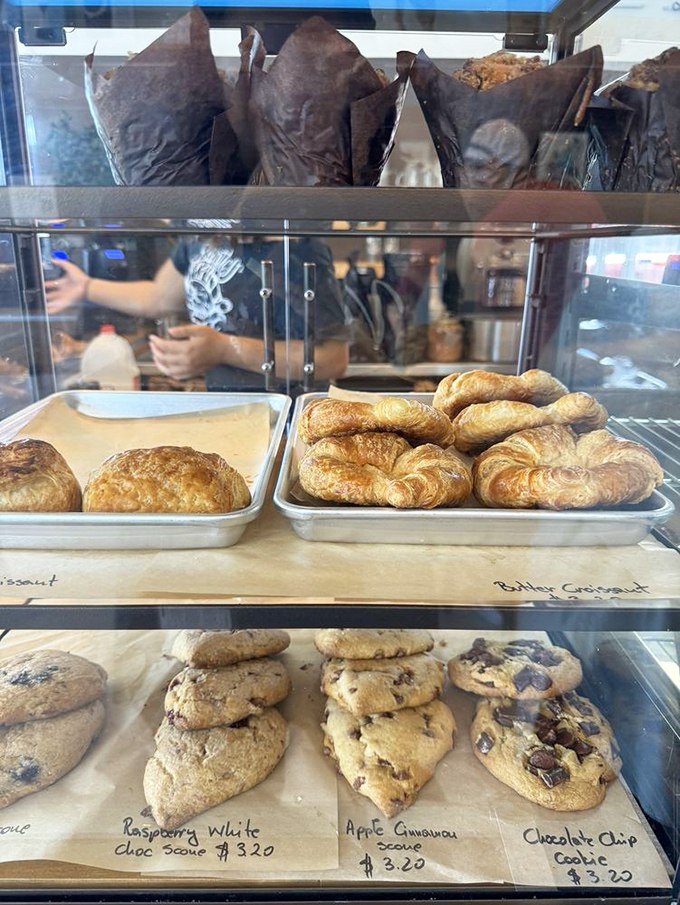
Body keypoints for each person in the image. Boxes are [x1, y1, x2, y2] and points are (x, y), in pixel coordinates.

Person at [46, 233, 349, 389]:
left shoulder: (296, 247)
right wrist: (86, 287)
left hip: (286, 416)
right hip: (225, 406)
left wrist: (224, 349)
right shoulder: (199, 238)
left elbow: (331, 359)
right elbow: (159, 297)